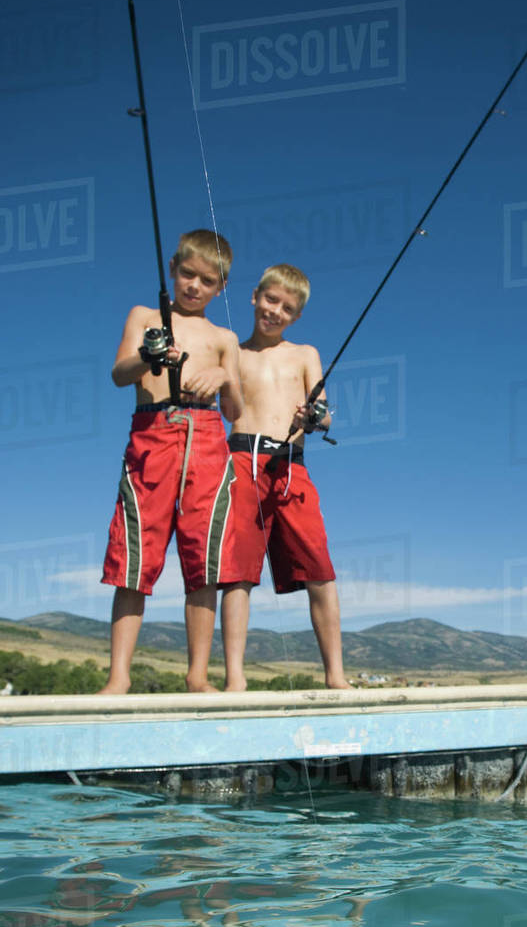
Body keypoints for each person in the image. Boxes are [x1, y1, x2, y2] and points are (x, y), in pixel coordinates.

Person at [100, 229, 243, 694]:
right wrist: (148, 355)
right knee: (134, 554)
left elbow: (235, 412)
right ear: (172, 269)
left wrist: (225, 377)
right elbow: (120, 374)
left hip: (207, 439)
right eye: (187, 274)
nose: (194, 286)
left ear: (220, 287)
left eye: (207, 280)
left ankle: (198, 674)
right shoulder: (144, 315)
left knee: (203, 561)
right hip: (151, 435)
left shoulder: (225, 337)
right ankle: (118, 676)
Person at [221, 264, 347, 691]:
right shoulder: (232, 351)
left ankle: (336, 677)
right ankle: (235, 680)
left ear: (296, 316)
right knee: (237, 573)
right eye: (271, 300)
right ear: (255, 296)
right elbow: (225, 410)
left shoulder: (305, 353)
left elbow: (324, 415)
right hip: (241, 460)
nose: (275, 311)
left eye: (287, 308)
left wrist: (312, 417)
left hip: (292, 464)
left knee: (320, 570)